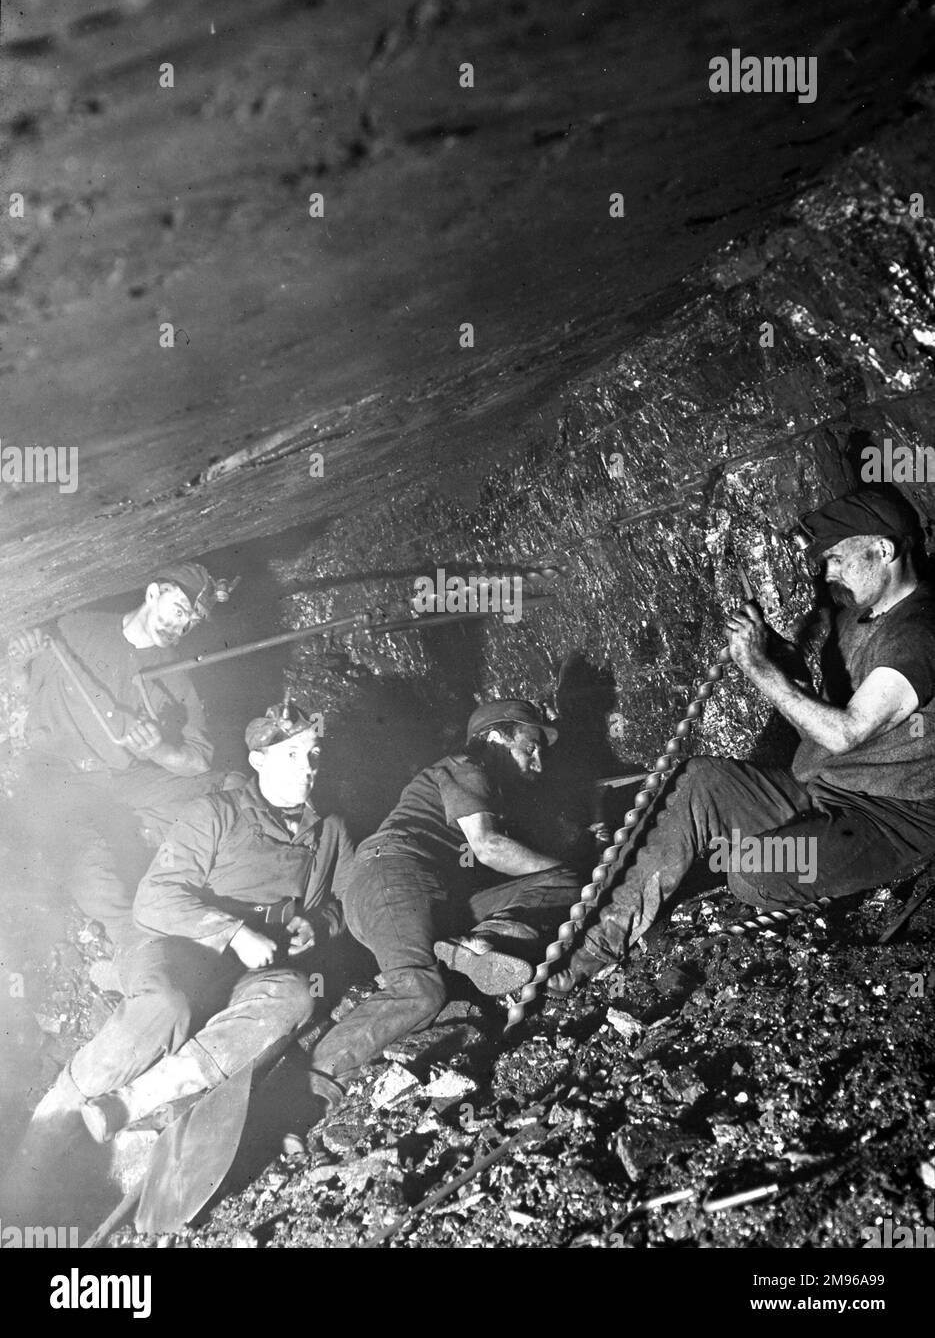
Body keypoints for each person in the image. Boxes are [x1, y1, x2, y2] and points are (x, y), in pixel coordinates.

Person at [554, 488, 935, 990]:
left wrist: (756, 668)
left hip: (892, 816)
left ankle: (856, 881)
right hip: (821, 789)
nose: (828, 573)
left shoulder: (922, 630)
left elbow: (846, 731)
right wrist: (777, 655)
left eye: (837, 558)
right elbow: (823, 705)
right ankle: (591, 950)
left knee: (750, 874)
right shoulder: (856, 619)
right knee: (698, 779)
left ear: (883, 551)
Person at [38, 695, 355, 1143]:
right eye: (291, 754)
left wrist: (320, 923)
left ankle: (136, 1102)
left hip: (250, 971)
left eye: (313, 755)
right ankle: (53, 1120)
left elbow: (348, 900)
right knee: (166, 1005)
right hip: (176, 950)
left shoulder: (329, 832)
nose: (307, 767)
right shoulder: (215, 813)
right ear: (258, 761)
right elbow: (154, 900)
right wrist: (234, 931)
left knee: (295, 998)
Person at [305, 699, 584, 1099]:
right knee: (420, 989)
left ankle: (477, 944)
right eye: (530, 745)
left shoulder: (495, 792)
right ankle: (319, 1079)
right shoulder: (466, 765)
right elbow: (488, 848)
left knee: (565, 882)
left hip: (434, 897)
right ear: (493, 737)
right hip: (391, 877)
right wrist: (571, 861)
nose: (538, 761)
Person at [6, 564, 232, 946]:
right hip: (53, 773)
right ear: (153, 593)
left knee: (226, 784)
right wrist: (18, 659)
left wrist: (158, 749)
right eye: (177, 611)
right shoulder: (79, 627)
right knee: (91, 865)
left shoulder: (173, 672)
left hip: (116, 780)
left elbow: (199, 761)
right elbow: (25, 690)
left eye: (189, 622)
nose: (179, 628)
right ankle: (138, 942)